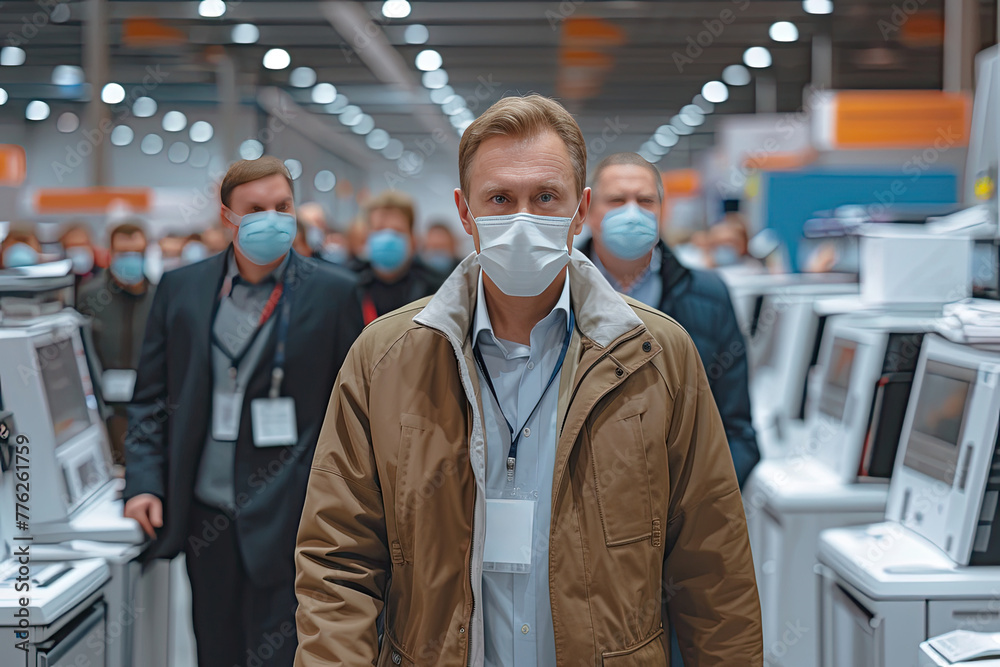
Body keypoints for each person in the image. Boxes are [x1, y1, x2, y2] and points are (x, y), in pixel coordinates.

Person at [294, 95, 762, 666]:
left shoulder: (657, 357)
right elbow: (338, 559)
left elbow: (712, 565)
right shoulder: (385, 359)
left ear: (580, 210)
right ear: (466, 213)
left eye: (545, 197)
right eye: (499, 198)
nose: (522, 218)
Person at [123, 156, 363, 667]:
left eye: (282, 206)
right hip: (205, 514)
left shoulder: (333, 291)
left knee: (283, 654)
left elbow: (351, 411)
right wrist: (144, 481)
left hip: (292, 514)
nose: (271, 219)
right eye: (255, 209)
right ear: (227, 216)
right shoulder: (182, 288)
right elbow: (149, 398)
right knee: (216, 651)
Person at [582, 152, 759, 487]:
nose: (632, 213)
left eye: (645, 200)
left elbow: (736, 430)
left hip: (678, 513)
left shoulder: (709, 296)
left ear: (662, 211)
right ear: (587, 212)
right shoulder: (555, 294)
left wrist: (700, 507)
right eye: (617, 200)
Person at [77, 221, 156, 463]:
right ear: (111, 252)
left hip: (148, 405)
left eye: (137, 253)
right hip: (103, 406)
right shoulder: (90, 295)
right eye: (123, 253)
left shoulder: (160, 296)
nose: (130, 259)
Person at [354, 190, 445, 325]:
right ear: (367, 236)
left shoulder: (436, 287)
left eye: (397, 230)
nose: (388, 237)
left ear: (412, 238)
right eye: (380, 229)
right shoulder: (349, 284)